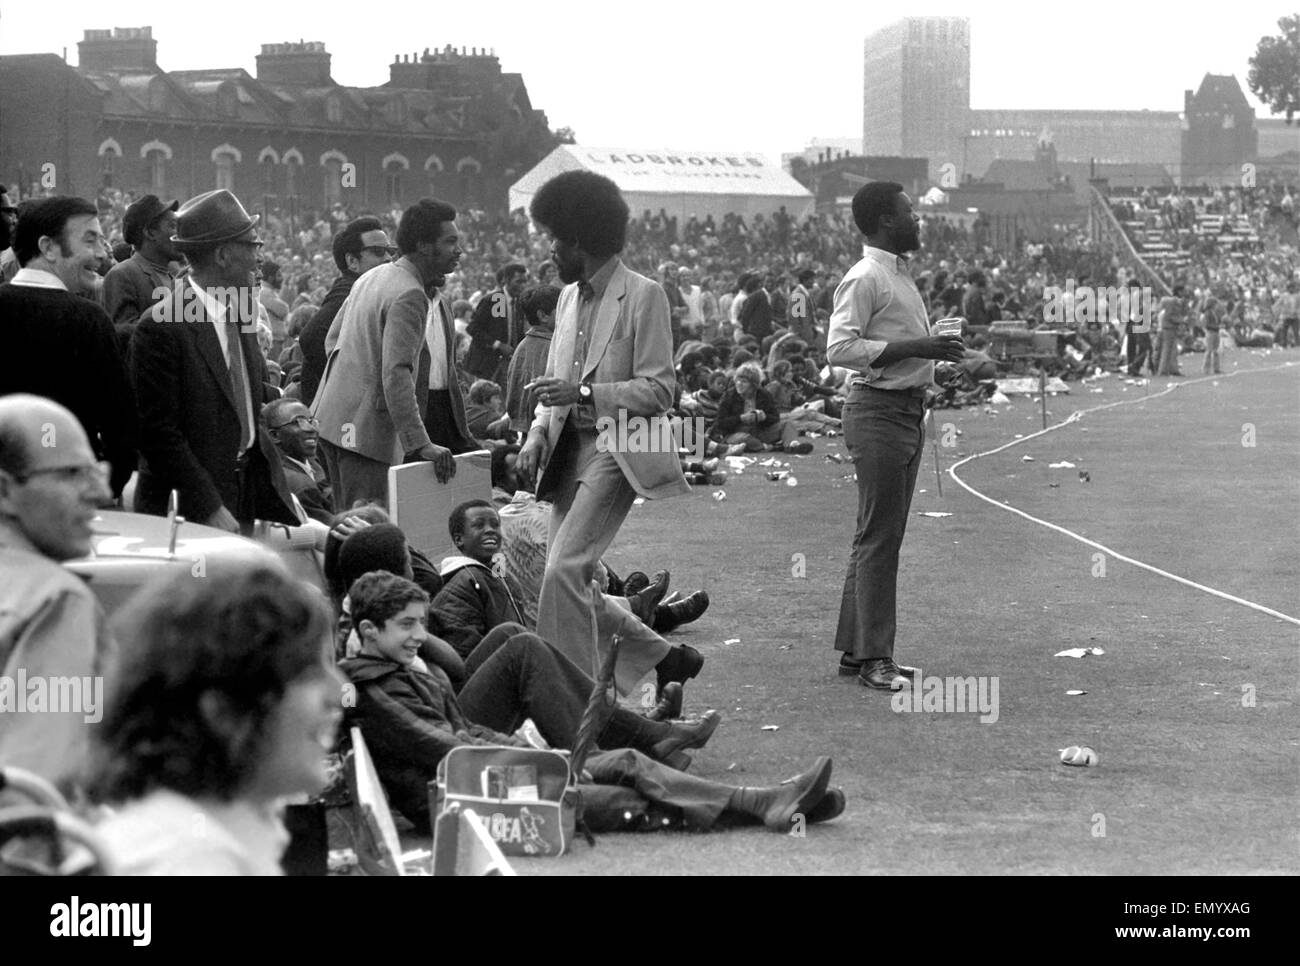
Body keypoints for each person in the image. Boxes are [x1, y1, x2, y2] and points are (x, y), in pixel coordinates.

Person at [341, 572, 839, 835]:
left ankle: (772, 804)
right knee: (622, 796)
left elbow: (459, 735)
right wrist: (545, 760)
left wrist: (522, 747)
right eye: (407, 626)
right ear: (367, 631)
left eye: (419, 624)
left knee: (617, 766)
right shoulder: (373, 689)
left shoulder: (392, 670)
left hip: (472, 776)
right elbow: (446, 748)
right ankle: (765, 804)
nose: (418, 636)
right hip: (460, 799)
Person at [516, 170, 697, 698]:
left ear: (581, 238)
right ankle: (666, 657)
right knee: (570, 581)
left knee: (562, 573)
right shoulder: (567, 299)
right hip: (568, 450)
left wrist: (588, 396)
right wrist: (535, 435)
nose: (550, 250)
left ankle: (564, 694)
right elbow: (555, 387)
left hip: (620, 449)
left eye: (555, 238)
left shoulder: (646, 296)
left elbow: (660, 390)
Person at [91, 566, 343, 875]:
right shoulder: (189, 861)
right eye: (308, 674)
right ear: (225, 713)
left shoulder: (205, 839)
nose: (339, 690)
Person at [826, 182, 964, 689]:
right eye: (910, 211)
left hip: (904, 410)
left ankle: (858, 650)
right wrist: (921, 346)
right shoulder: (865, 277)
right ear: (886, 220)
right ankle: (875, 659)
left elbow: (901, 354)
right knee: (880, 538)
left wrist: (933, 367)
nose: (919, 218)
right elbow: (840, 349)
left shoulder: (899, 276)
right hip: (877, 414)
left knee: (878, 535)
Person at [131, 189, 298, 532]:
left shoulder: (242, 310)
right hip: (187, 511)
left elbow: (239, 403)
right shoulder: (161, 325)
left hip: (241, 496)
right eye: (253, 245)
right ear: (223, 255)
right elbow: (159, 434)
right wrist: (207, 506)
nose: (259, 256)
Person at [312, 199, 464, 509]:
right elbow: (397, 373)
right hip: (367, 438)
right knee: (367, 531)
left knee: (347, 525)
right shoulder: (410, 294)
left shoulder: (373, 276)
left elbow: (333, 341)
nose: (459, 250)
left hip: (331, 422)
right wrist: (420, 443)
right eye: (450, 241)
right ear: (423, 245)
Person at [0, 395, 117, 791]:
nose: (99, 492)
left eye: (95, 471)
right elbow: (35, 792)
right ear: (4, 492)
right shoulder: (57, 600)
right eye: (72, 474)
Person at [0, 196, 138, 499]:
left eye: (102, 240)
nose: (102, 253)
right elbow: (121, 426)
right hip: (68, 498)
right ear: (48, 247)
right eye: (90, 241)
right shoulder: (89, 320)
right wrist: (103, 490)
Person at [298, 216, 393, 404]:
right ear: (352, 261)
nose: (389, 258)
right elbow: (311, 337)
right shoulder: (348, 290)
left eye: (390, 251)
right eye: (378, 251)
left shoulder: (365, 289)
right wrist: (348, 387)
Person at [102, 194, 180, 351]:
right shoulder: (123, 275)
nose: (179, 234)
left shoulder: (174, 277)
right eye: (172, 226)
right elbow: (125, 339)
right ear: (150, 233)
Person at [263, 397, 333, 524]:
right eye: (298, 422)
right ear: (274, 435)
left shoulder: (311, 460)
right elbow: (334, 529)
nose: (311, 429)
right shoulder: (301, 486)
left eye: (310, 421)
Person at [504, 284, 559, 432]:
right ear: (543, 316)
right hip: (544, 430)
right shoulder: (552, 347)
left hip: (525, 428)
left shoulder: (522, 347)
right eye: (562, 309)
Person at [464, 263, 526, 382]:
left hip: (506, 364)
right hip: (485, 365)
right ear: (506, 280)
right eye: (518, 282)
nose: (522, 286)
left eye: (524, 282)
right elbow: (472, 328)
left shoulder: (519, 302)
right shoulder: (495, 300)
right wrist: (498, 344)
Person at [1200, 294, 1223, 375]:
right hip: (1211, 332)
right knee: (1209, 350)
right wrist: (1216, 326)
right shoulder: (1207, 313)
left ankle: (1216, 368)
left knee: (1216, 350)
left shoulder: (1215, 313)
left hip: (1216, 332)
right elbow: (1206, 324)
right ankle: (1205, 368)